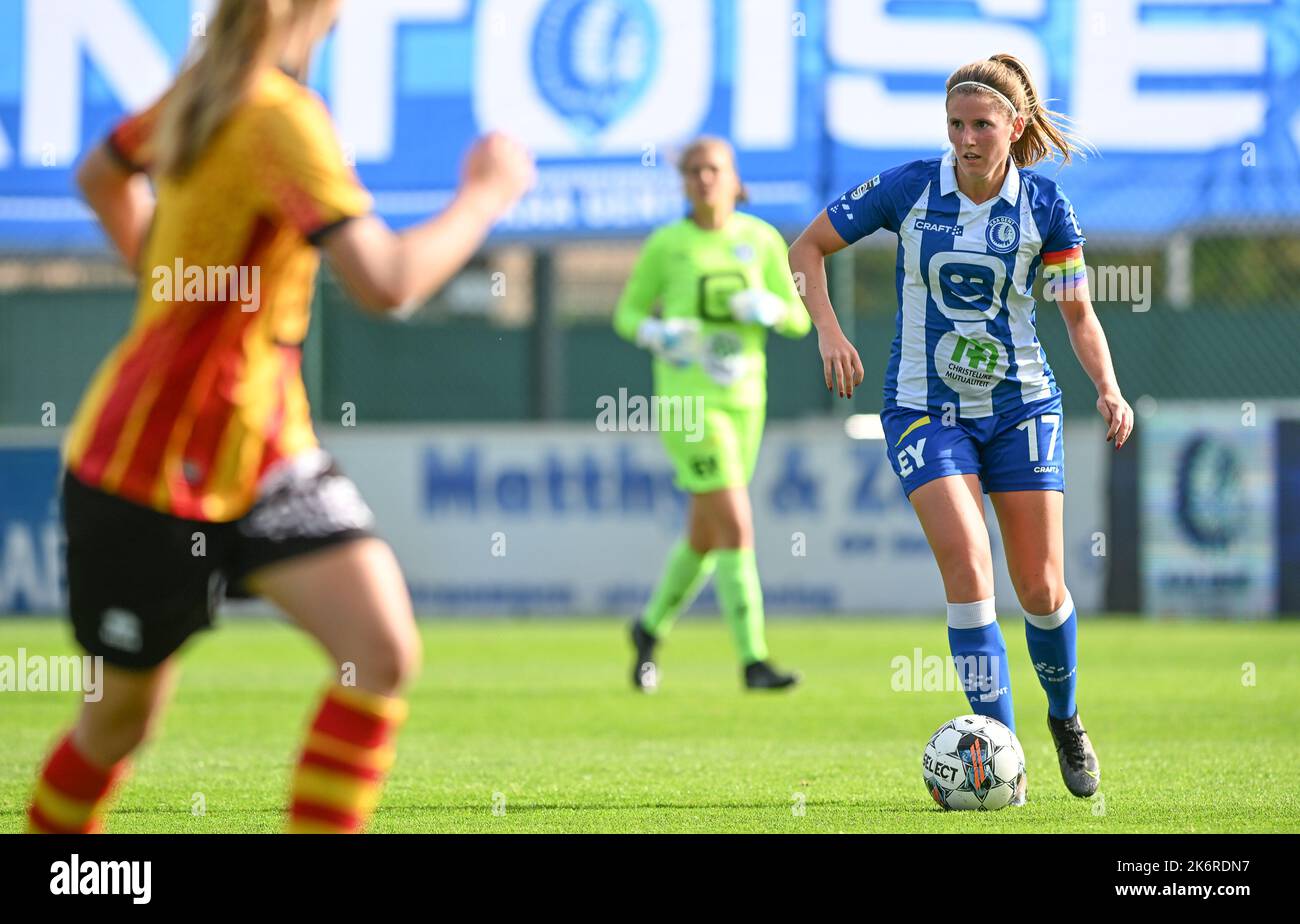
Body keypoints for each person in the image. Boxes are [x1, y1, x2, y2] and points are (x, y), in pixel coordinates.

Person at [27, 0, 534, 834]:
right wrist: (486, 196)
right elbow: (389, 282)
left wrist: (169, 282)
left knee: (380, 652)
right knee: (119, 724)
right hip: (146, 468)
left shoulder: (210, 90)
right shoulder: (274, 116)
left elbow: (102, 174)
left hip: (265, 449)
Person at [788, 54, 1132, 801]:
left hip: (1020, 408)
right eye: (955, 124)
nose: (967, 139)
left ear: (1014, 125)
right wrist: (828, 330)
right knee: (970, 573)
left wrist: (1107, 388)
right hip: (922, 407)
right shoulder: (912, 188)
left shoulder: (1045, 208)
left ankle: (1066, 717)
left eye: (982, 124)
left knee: (1040, 587)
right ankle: (999, 757)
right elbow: (804, 249)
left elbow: (1077, 312)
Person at [613, 137, 812, 693]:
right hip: (688, 403)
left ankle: (647, 630)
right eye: (694, 170)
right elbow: (626, 313)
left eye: (714, 169)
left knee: (705, 536)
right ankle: (754, 661)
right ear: (682, 180)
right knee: (737, 522)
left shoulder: (760, 239)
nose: (704, 178)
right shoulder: (667, 244)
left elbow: (798, 321)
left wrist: (770, 307)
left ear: (733, 178)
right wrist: (654, 332)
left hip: (746, 400)